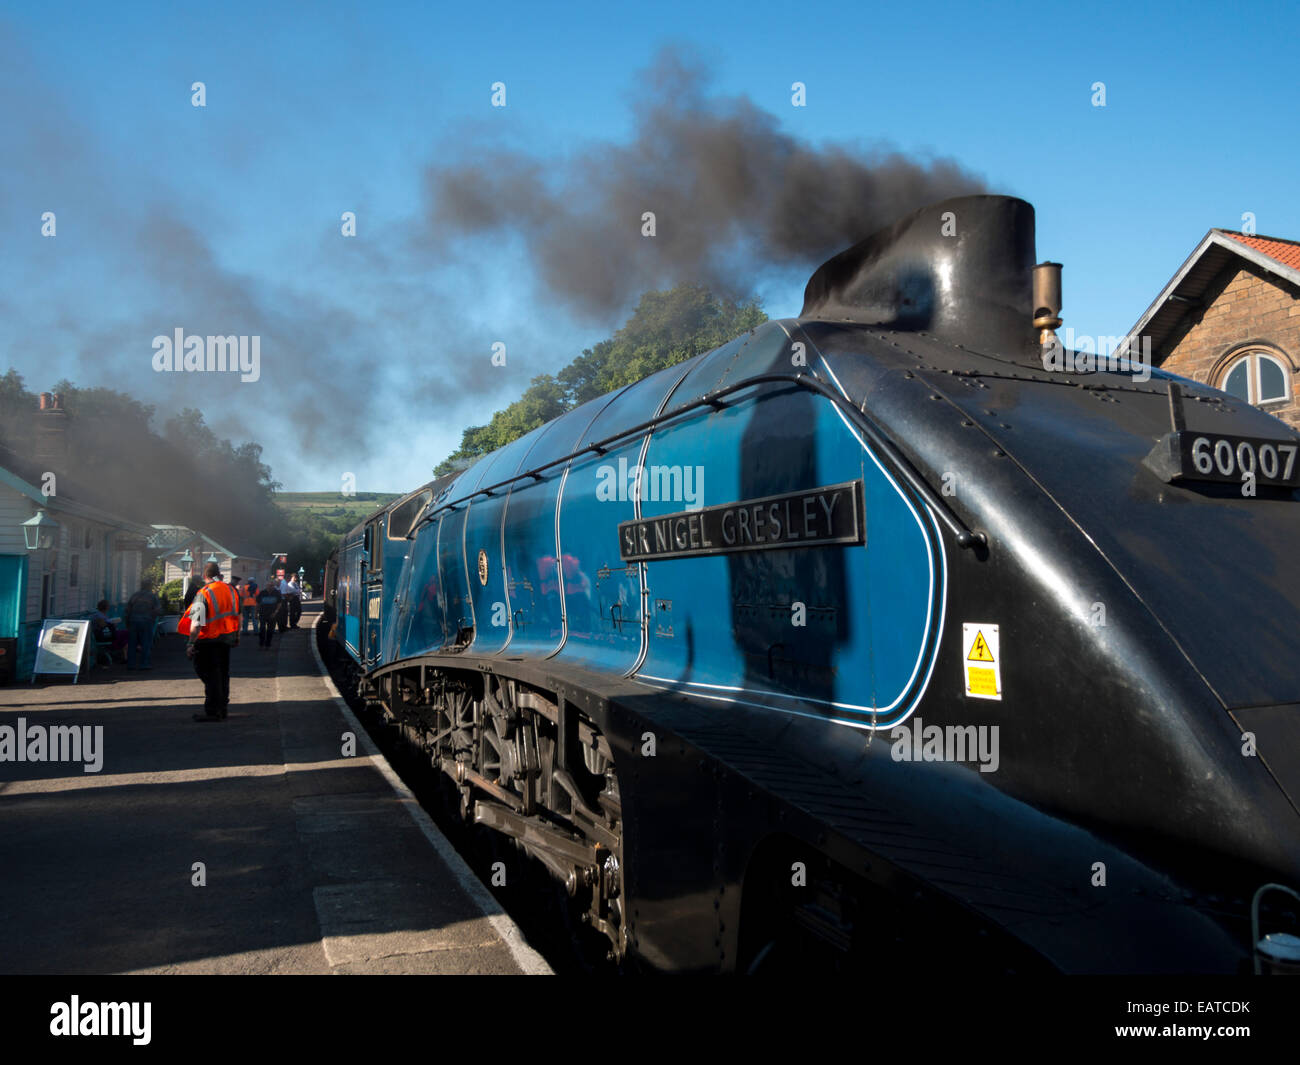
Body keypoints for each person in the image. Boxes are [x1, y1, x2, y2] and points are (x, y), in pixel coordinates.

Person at [185, 562, 241, 722]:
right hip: (226, 640)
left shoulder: (203, 593)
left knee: (209, 674)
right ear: (218, 573)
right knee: (223, 673)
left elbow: (196, 622)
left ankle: (213, 709)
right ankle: (222, 707)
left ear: (205, 576)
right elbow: (238, 615)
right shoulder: (231, 591)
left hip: (207, 641)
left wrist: (190, 643)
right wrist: (237, 636)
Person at [124, 579, 161, 670]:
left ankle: (131, 664)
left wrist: (128, 622)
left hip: (133, 621)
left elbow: (127, 610)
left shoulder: (134, 596)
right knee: (146, 643)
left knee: (132, 643)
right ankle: (144, 664)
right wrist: (152, 618)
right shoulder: (152, 597)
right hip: (146, 621)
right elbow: (158, 610)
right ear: (149, 587)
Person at [256, 581, 283, 650]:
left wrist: (275, 612)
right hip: (262, 614)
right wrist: (256, 613)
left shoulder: (277, 593)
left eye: (271, 585)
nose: (270, 587)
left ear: (273, 586)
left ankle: (268, 644)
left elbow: (279, 603)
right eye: (268, 585)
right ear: (266, 586)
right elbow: (258, 603)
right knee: (262, 629)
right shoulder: (262, 593)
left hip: (272, 615)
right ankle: (261, 644)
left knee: (270, 630)